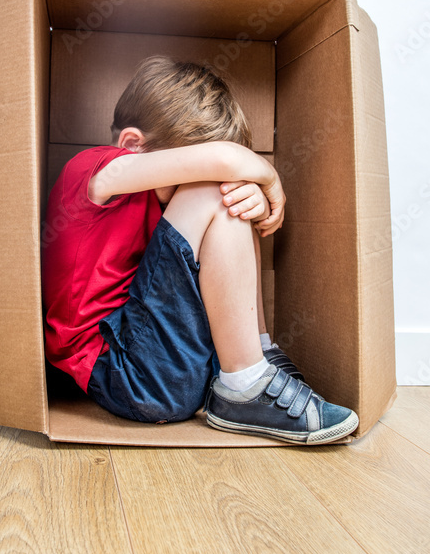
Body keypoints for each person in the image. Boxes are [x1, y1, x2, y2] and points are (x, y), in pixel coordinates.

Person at [42, 56, 358, 444]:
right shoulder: (95, 171)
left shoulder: (155, 205)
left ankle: (255, 358)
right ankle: (244, 384)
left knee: (234, 196)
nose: (186, 184)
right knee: (217, 192)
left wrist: (252, 201)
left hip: (170, 361)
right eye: (184, 171)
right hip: (123, 373)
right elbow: (224, 161)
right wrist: (268, 177)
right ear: (132, 146)